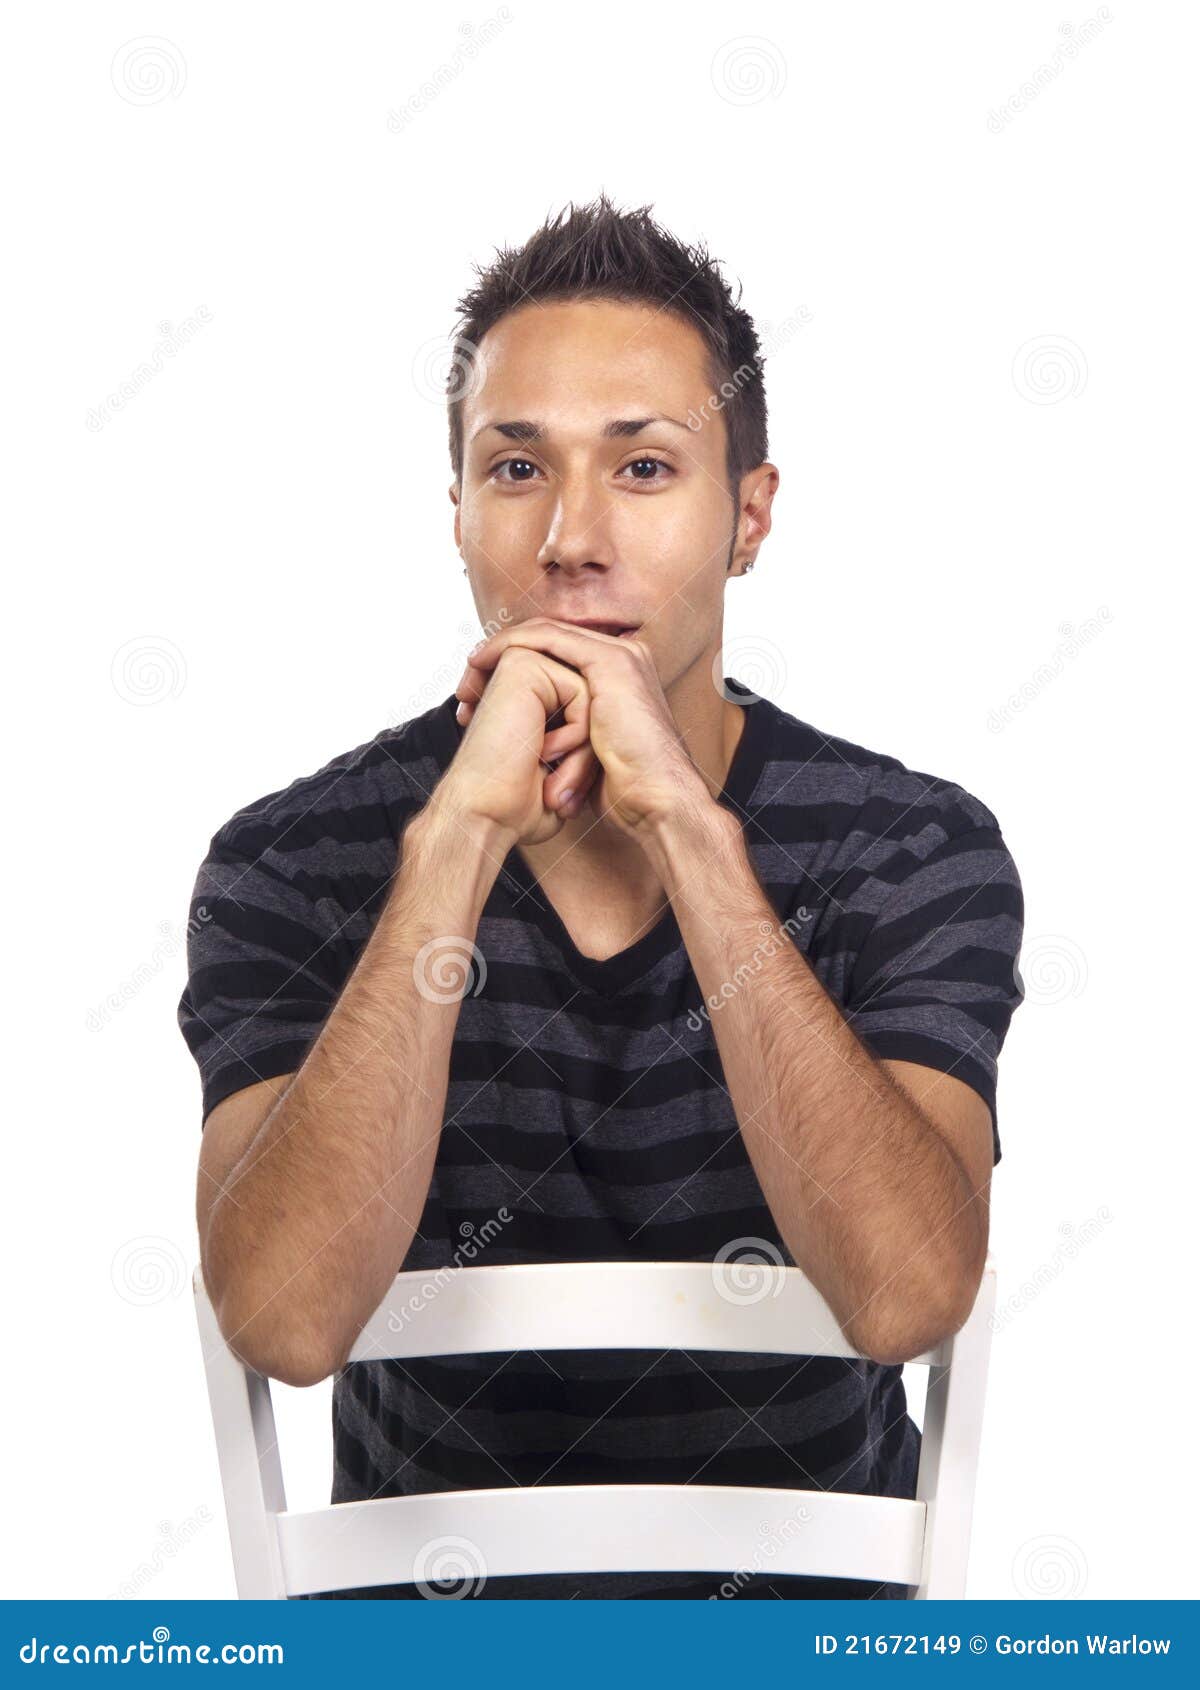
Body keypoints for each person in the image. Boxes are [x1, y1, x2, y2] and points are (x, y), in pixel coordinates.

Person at [178, 195, 1025, 1599]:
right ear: (456, 506)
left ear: (747, 516)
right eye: (516, 468)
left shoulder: (906, 844)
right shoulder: (290, 860)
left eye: (643, 466)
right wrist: (456, 835)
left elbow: (906, 1292)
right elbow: (281, 1318)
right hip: (427, 1648)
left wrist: (690, 831)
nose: (572, 536)